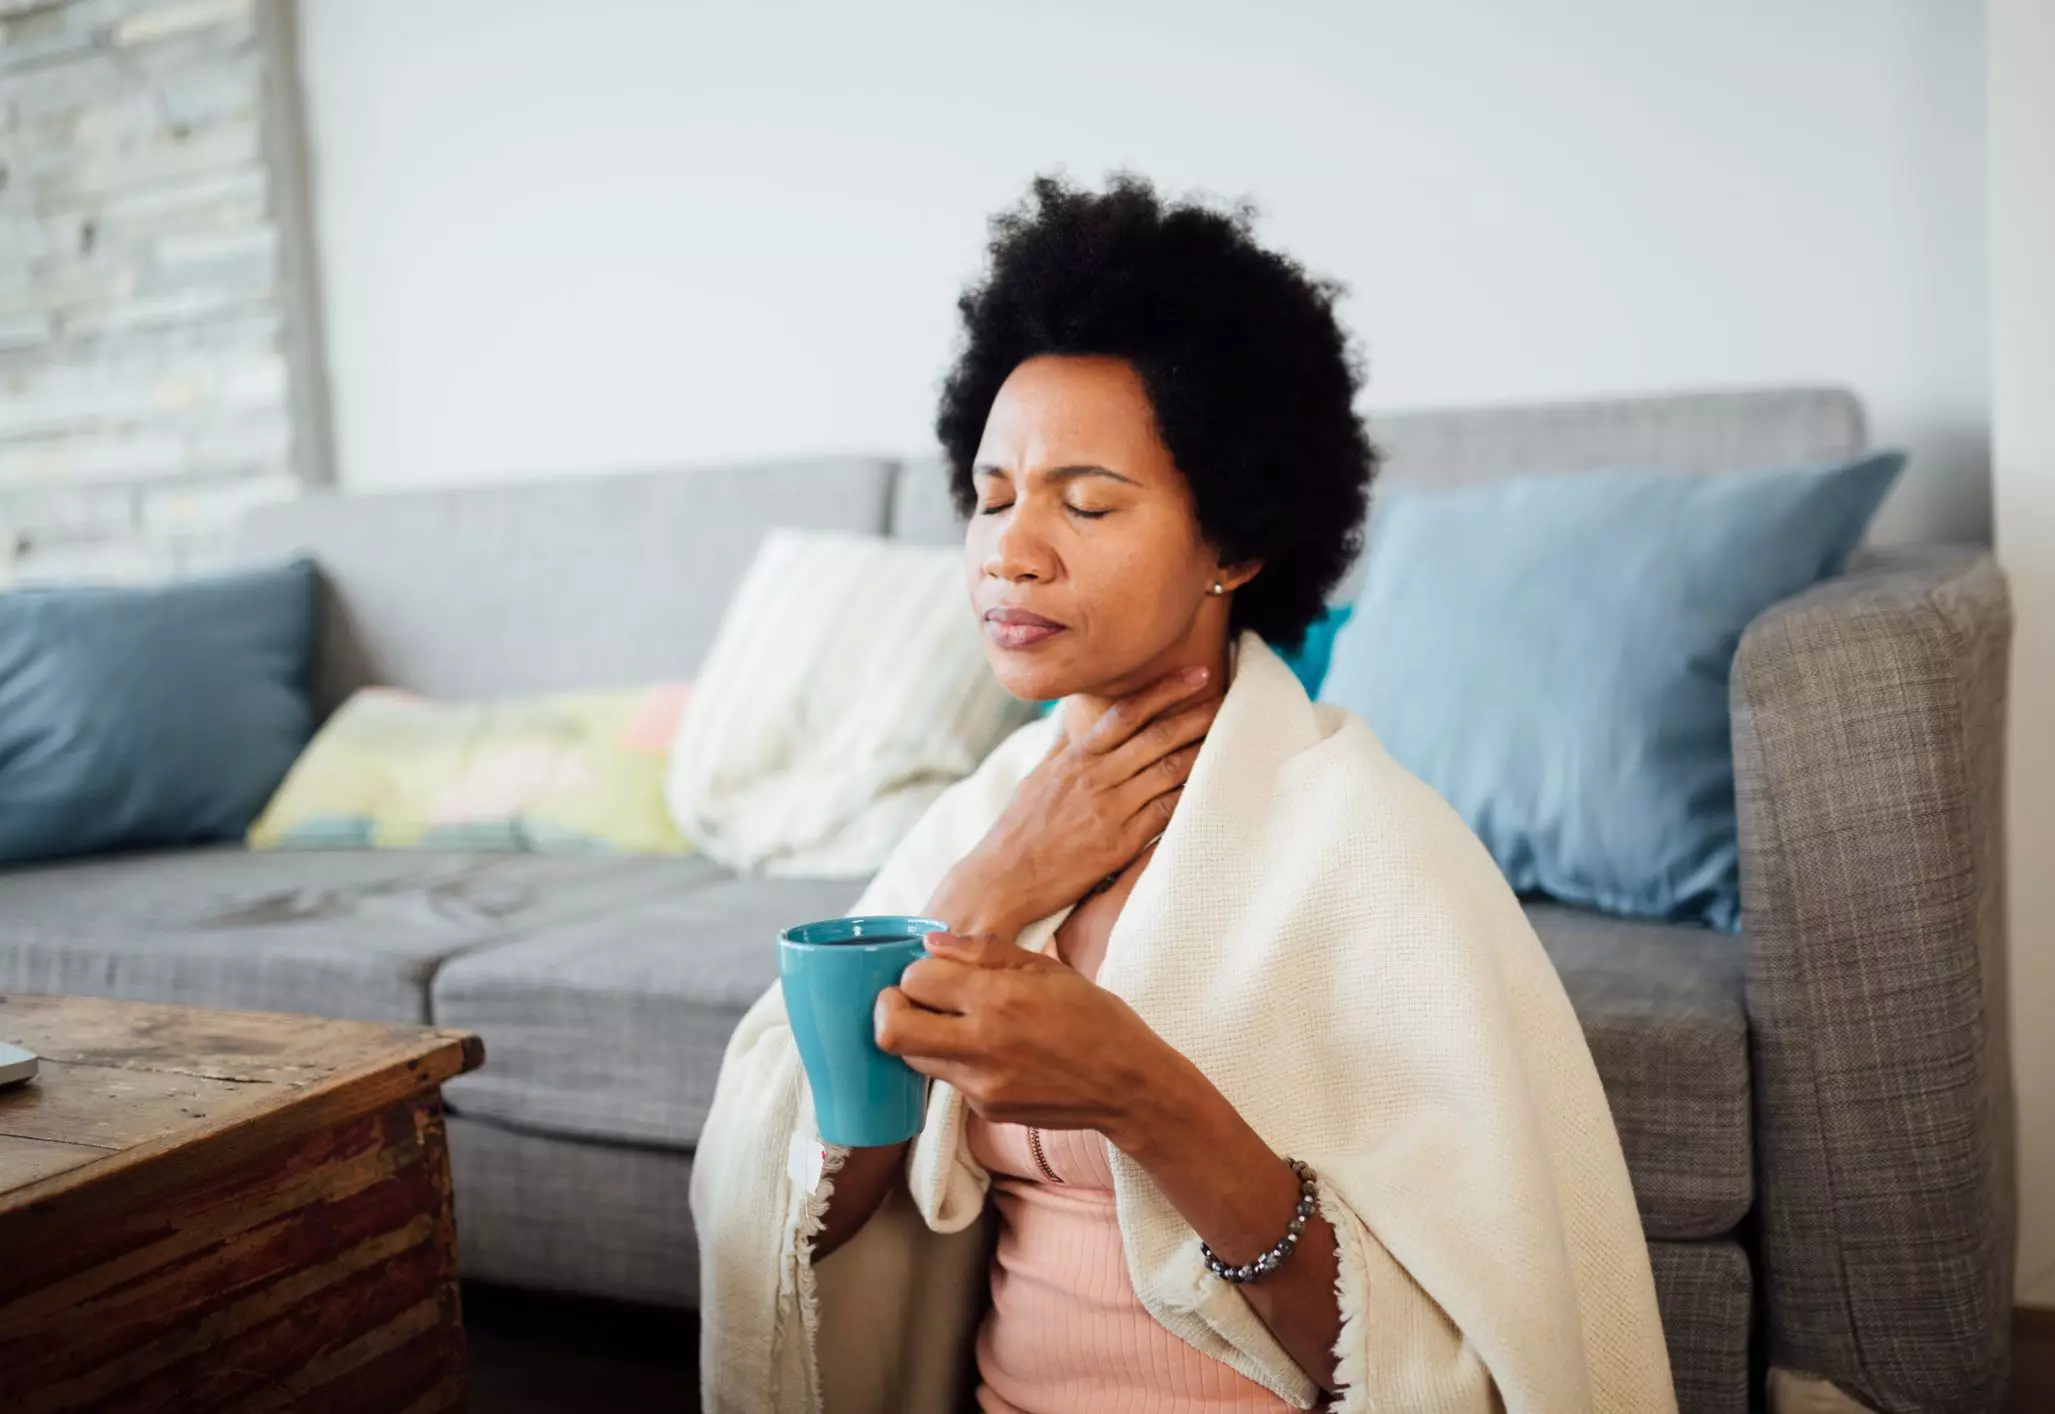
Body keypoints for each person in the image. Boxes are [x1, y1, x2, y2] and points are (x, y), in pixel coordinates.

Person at [692, 171, 1677, 1414]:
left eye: (1086, 500)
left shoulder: (1370, 849)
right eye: (992, 496)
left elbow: (1448, 1370)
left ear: (1238, 542)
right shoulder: (984, 820)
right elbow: (809, 1228)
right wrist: (987, 895)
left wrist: (1142, 1096)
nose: (1011, 546)